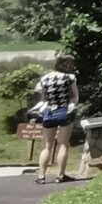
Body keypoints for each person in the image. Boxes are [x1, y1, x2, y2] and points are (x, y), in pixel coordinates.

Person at [30, 54, 80, 183]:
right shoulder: (70, 77)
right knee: (63, 144)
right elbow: (75, 96)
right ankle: (61, 175)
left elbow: (42, 97)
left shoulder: (45, 78)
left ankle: (41, 176)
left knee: (47, 146)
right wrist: (72, 105)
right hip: (64, 111)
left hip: (49, 112)